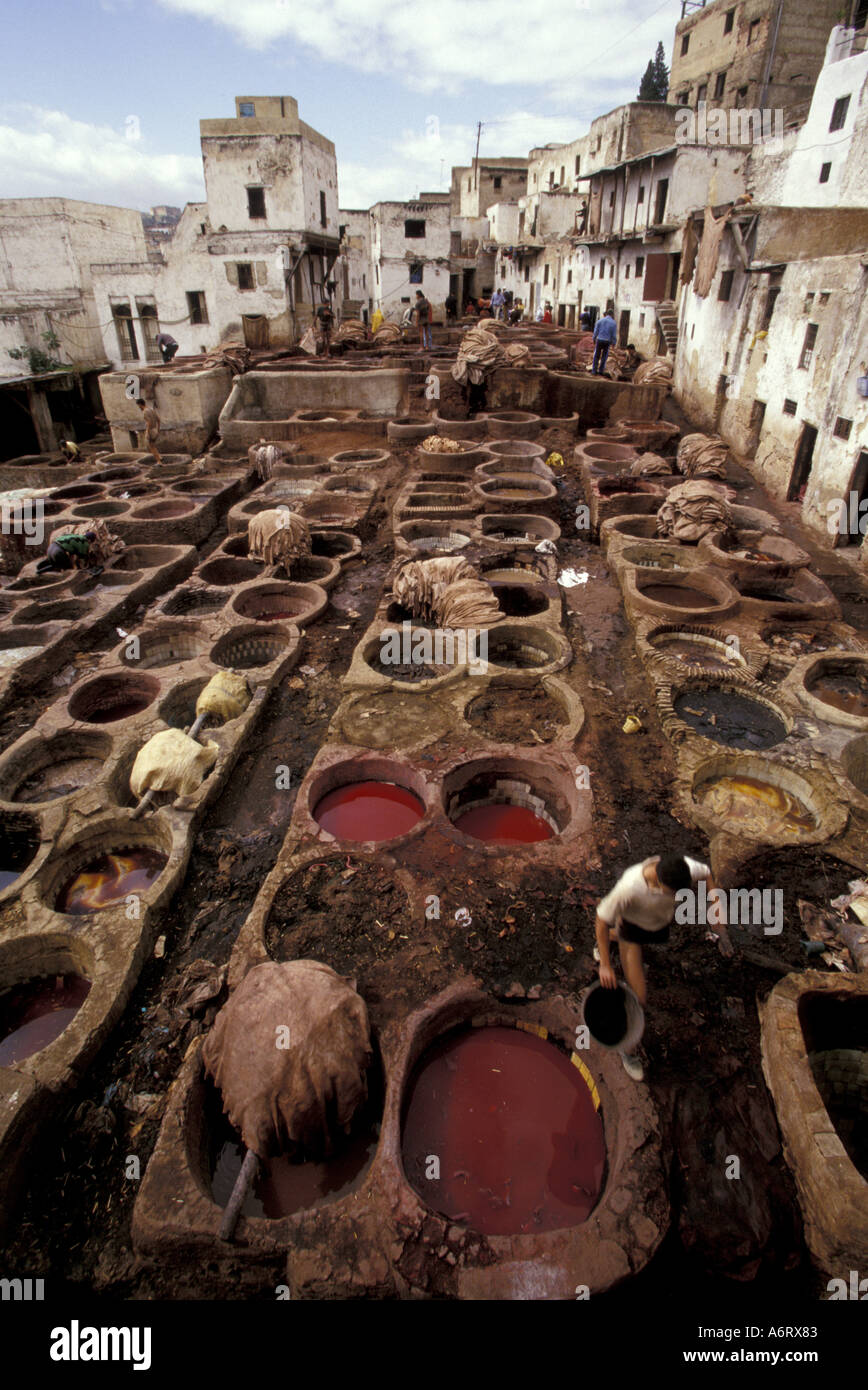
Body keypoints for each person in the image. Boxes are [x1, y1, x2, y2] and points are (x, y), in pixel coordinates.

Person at [594, 853, 733, 1080]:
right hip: (632, 929)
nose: (679, 896)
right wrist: (606, 967)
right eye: (674, 892)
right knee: (638, 1000)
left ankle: (608, 940)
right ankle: (627, 1049)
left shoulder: (680, 867)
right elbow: (600, 919)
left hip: (656, 922)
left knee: (623, 933)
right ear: (658, 884)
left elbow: (706, 873)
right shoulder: (629, 887)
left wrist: (716, 902)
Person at [135, 397, 162, 464]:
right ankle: (160, 457)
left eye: (138, 405)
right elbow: (158, 420)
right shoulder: (151, 409)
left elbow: (148, 423)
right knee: (153, 445)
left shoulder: (145, 412)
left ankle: (159, 462)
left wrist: (147, 432)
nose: (138, 407)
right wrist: (158, 429)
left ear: (140, 404)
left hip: (151, 430)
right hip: (155, 429)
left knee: (151, 447)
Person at [591, 309, 617, 375]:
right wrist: (614, 343)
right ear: (612, 315)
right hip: (607, 341)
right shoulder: (613, 323)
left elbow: (596, 331)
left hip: (599, 340)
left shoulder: (600, 321)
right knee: (604, 356)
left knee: (596, 355)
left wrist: (594, 338)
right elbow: (613, 334)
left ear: (606, 314)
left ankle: (594, 371)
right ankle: (601, 371)